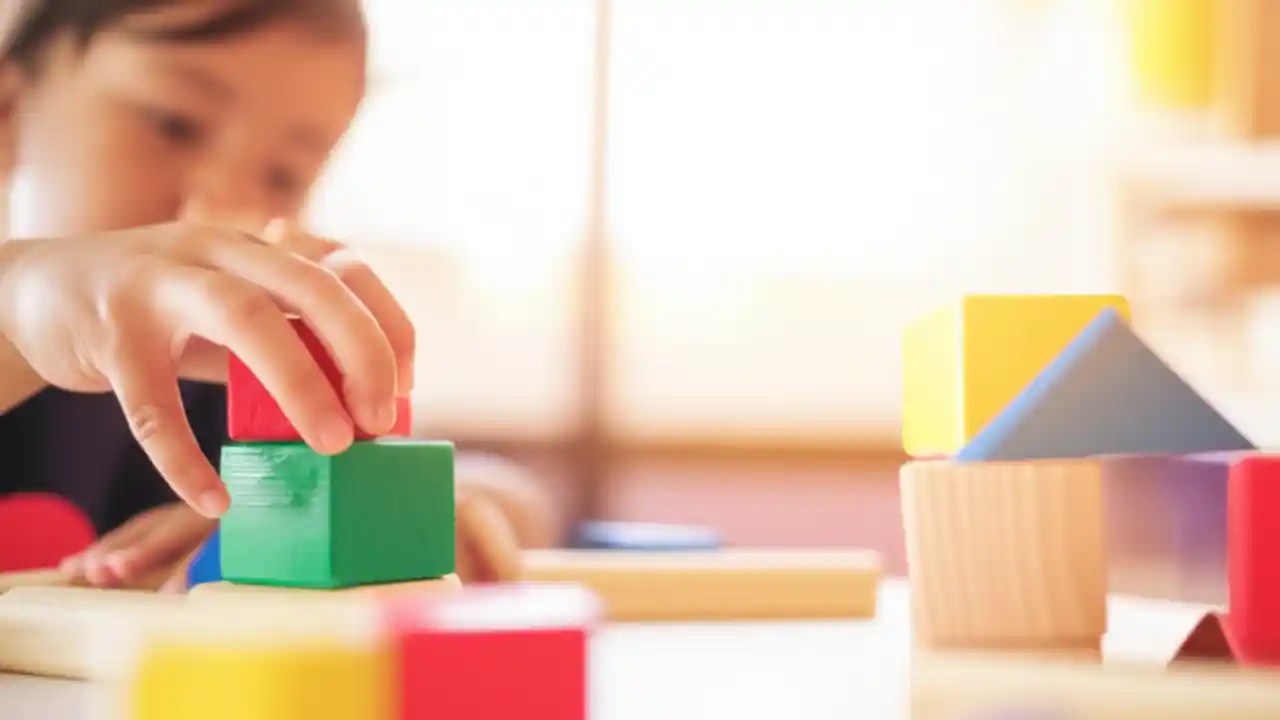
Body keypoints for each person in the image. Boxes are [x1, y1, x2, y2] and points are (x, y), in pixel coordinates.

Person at [0, 0, 555, 590]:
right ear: (8, 110)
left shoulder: (229, 381)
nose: (219, 207)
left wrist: (428, 507)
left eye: (283, 175)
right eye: (172, 123)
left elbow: (512, 497)